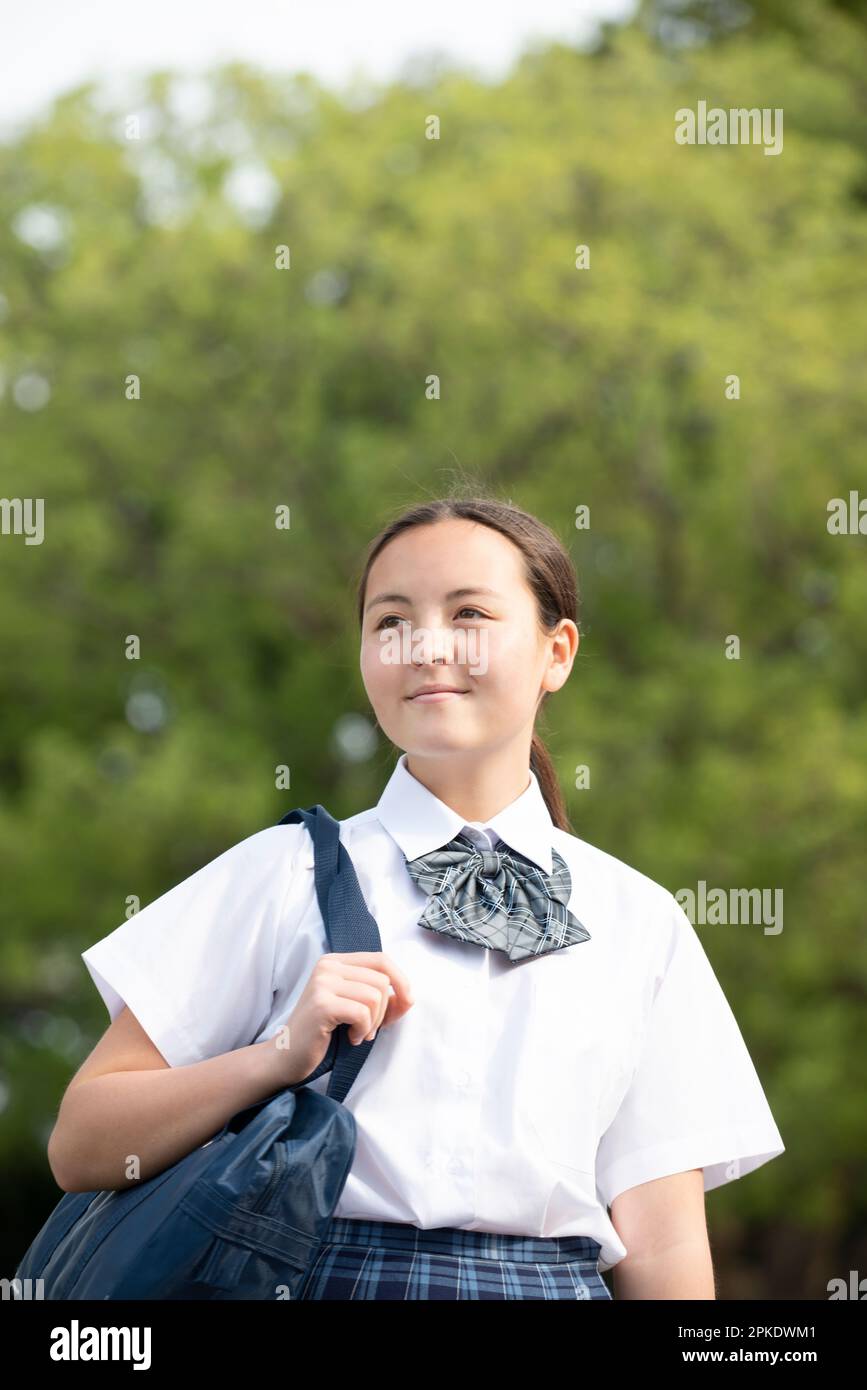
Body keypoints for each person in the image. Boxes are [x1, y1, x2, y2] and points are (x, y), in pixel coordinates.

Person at [48, 494, 785, 1300]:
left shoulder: (638, 919)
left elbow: (664, 1245)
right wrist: (275, 1058)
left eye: (469, 613)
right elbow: (83, 1142)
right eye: (390, 621)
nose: (426, 646)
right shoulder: (279, 871)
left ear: (557, 652)